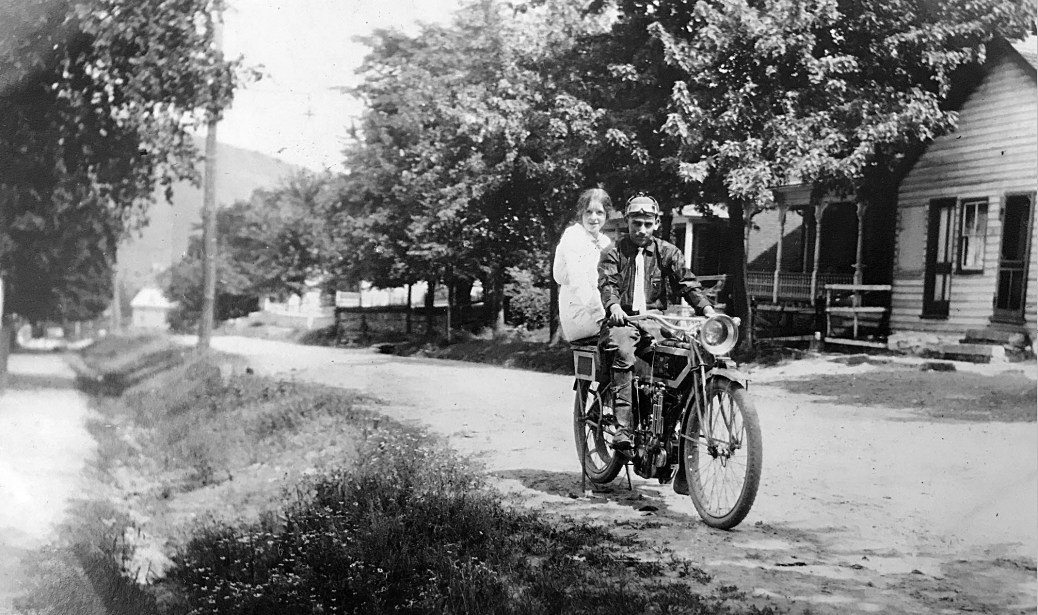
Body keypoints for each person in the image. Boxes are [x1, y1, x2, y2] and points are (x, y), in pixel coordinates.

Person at [598, 194, 717, 449]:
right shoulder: (613, 253)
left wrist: (707, 310)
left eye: (647, 224)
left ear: (656, 224)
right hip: (624, 321)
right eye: (636, 223)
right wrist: (615, 306)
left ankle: (676, 436)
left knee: (685, 358)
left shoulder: (668, 252)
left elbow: (687, 282)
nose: (642, 230)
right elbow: (608, 283)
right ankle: (623, 428)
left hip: (655, 323)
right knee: (623, 352)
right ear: (628, 221)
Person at [553, 188, 614, 342]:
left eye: (599, 212)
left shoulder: (604, 242)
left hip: (597, 308)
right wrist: (601, 317)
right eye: (588, 212)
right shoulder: (574, 236)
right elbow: (580, 282)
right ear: (581, 214)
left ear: (606, 215)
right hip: (578, 310)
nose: (594, 218)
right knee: (624, 335)